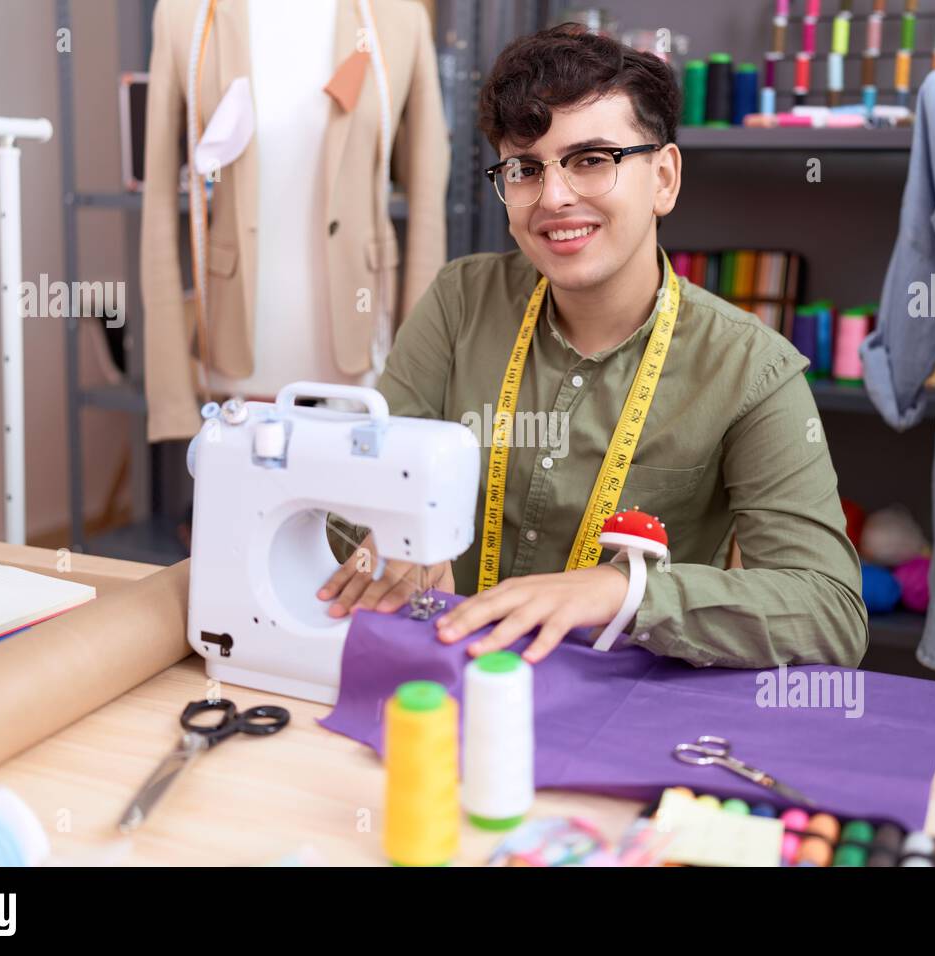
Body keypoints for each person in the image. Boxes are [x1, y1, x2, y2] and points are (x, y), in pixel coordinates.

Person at [319, 24, 867, 667]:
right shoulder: (460, 301)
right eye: (525, 169)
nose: (554, 197)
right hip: (447, 676)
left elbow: (829, 614)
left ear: (663, 177)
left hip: (626, 709)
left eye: (591, 160)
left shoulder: (752, 369)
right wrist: (390, 535)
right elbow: (355, 486)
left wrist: (625, 592)